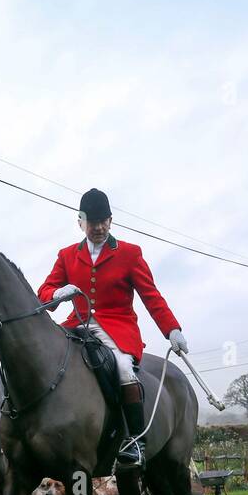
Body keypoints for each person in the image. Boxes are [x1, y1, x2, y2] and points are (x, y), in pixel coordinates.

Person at [37, 188, 187, 467]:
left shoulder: (129, 254)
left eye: (104, 221)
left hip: (118, 328)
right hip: (76, 326)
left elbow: (151, 296)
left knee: (123, 368)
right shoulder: (67, 255)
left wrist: (172, 329)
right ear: (80, 222)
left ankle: (135, 442)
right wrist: (56, 294)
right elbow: (44, 290)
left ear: (110, 220)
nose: (99, 227)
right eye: (93, 222)